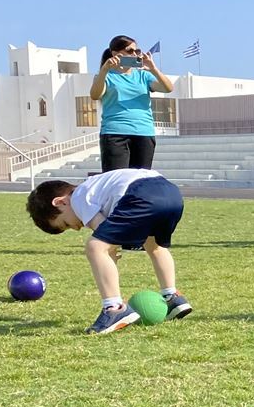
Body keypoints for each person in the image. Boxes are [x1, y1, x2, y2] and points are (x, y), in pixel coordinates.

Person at [25, 170, 192, 335]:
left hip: (140, 195)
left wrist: (107, 252)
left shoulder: (78, 197)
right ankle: (172, 297)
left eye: (66, 223)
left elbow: (102, 231)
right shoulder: (95, 186)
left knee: (94, 247)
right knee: (154, 245)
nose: (76, 228)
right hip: (171, 194)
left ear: (60, 202)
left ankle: (114, 308)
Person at [91, 35, 175, 171]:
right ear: (115, 54)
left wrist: (153, 68)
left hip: (143, 133)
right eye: (130, 51)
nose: (135, 54)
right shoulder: (105, 76)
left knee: (139, 180)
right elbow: (95, 95)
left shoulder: (144, 76)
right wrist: (104, 70)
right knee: (117, 179)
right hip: (114, 134)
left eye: (137, 51)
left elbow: (168, 88)